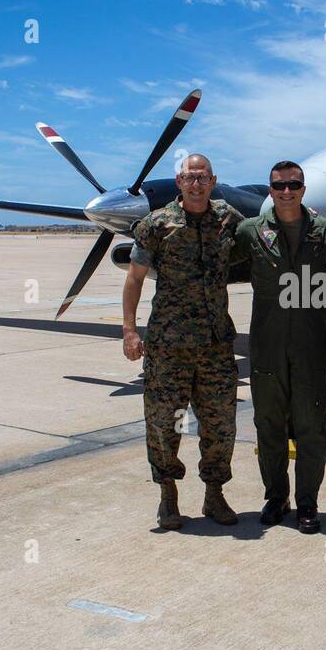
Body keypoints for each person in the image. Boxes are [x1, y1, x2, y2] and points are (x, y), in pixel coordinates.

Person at [123, 153, 243, 530]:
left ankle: (214, 495)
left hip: (216, 345)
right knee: (164, 424)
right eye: (189, 177)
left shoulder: (228, 219)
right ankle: (168, 495)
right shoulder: (156, 225)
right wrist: (129, 330)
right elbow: (135, 278)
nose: (196, 183)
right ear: (179, 182)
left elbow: (268, 235)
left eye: (202, 177)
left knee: (220, 424)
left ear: (213, 181)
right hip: (167, 346)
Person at [230, 160, 326, 534]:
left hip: (311, 346)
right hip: (266, 345)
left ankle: (308, 503)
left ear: (303, 189)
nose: (286, 191)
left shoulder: (325, 231)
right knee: (269, 426)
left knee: (312, 427)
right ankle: (275, 498)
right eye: (278, 186)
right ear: (270, 190)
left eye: (293, 184)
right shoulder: (250, 231)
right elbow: (211, 263)